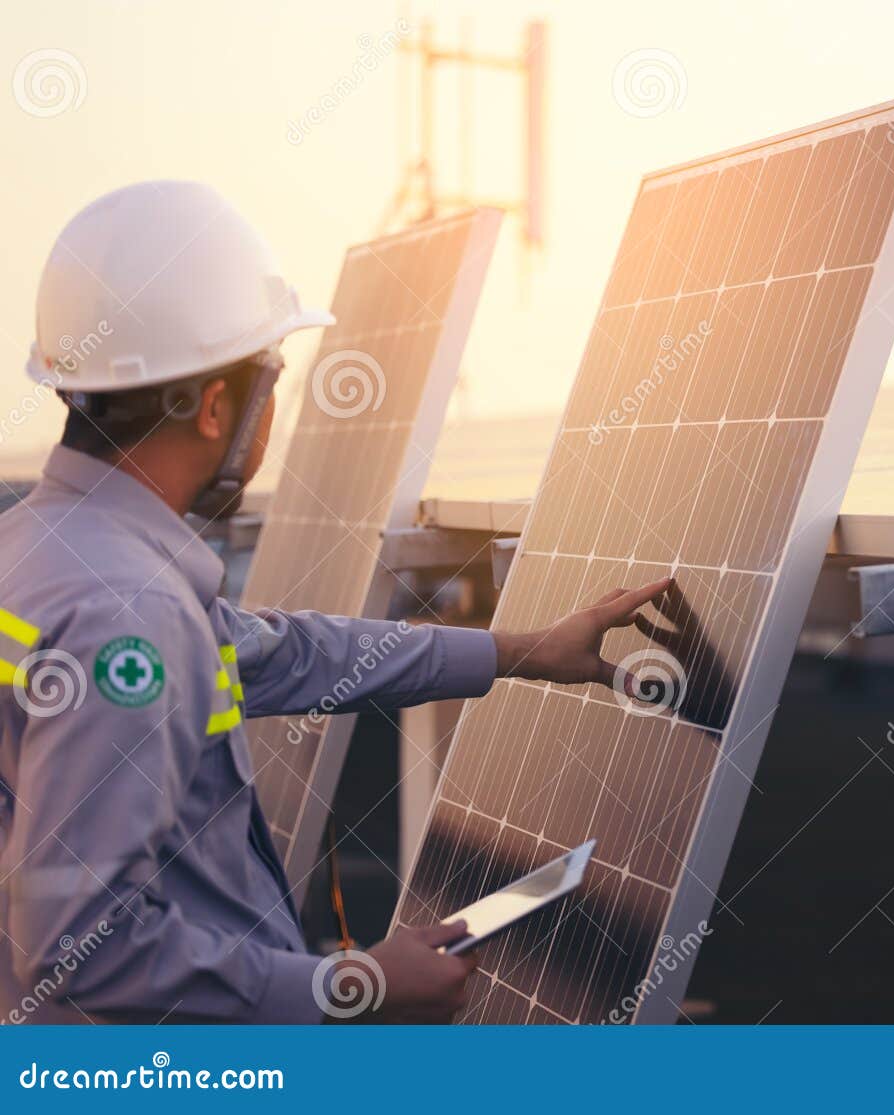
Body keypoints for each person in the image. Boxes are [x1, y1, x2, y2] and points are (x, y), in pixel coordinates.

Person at [0, 181, 668, 1024]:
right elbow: (80, 949)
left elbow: (288, 653)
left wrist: (521, 650)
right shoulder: (129, 612)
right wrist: (348, 986)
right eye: (271, 378)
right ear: (216, 409)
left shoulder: (41, 552)